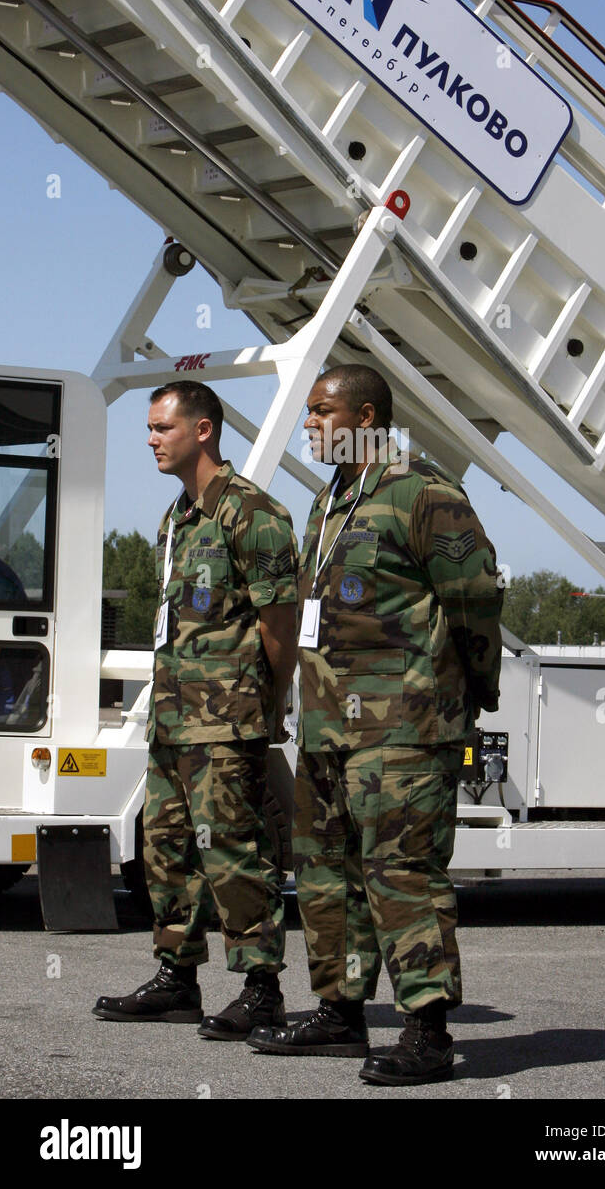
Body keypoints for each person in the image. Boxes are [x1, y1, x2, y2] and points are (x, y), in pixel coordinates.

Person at [249, 364, 503, 1085]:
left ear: (365, 418)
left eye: (321, 411)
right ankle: (339, 1013)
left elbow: (476, 597)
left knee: (404, 878)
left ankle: (427, 1032)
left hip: (403, 731)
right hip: (328, 728)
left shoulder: (422, 492)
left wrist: (471, 688)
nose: (309, 423)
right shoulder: (329, 502)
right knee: (327, 878)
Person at [94, 380, 298, 1035]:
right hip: (174, 716)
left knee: (232, 849)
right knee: (166, 846)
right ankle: (177, 977)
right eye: (150, 430)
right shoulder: (178, 517)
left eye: (162, 428)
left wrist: (266, 704)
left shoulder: (251, 513)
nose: (151, 440)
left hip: (226, 718)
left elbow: (279, 624)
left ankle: (261, 988)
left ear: (202, 430)